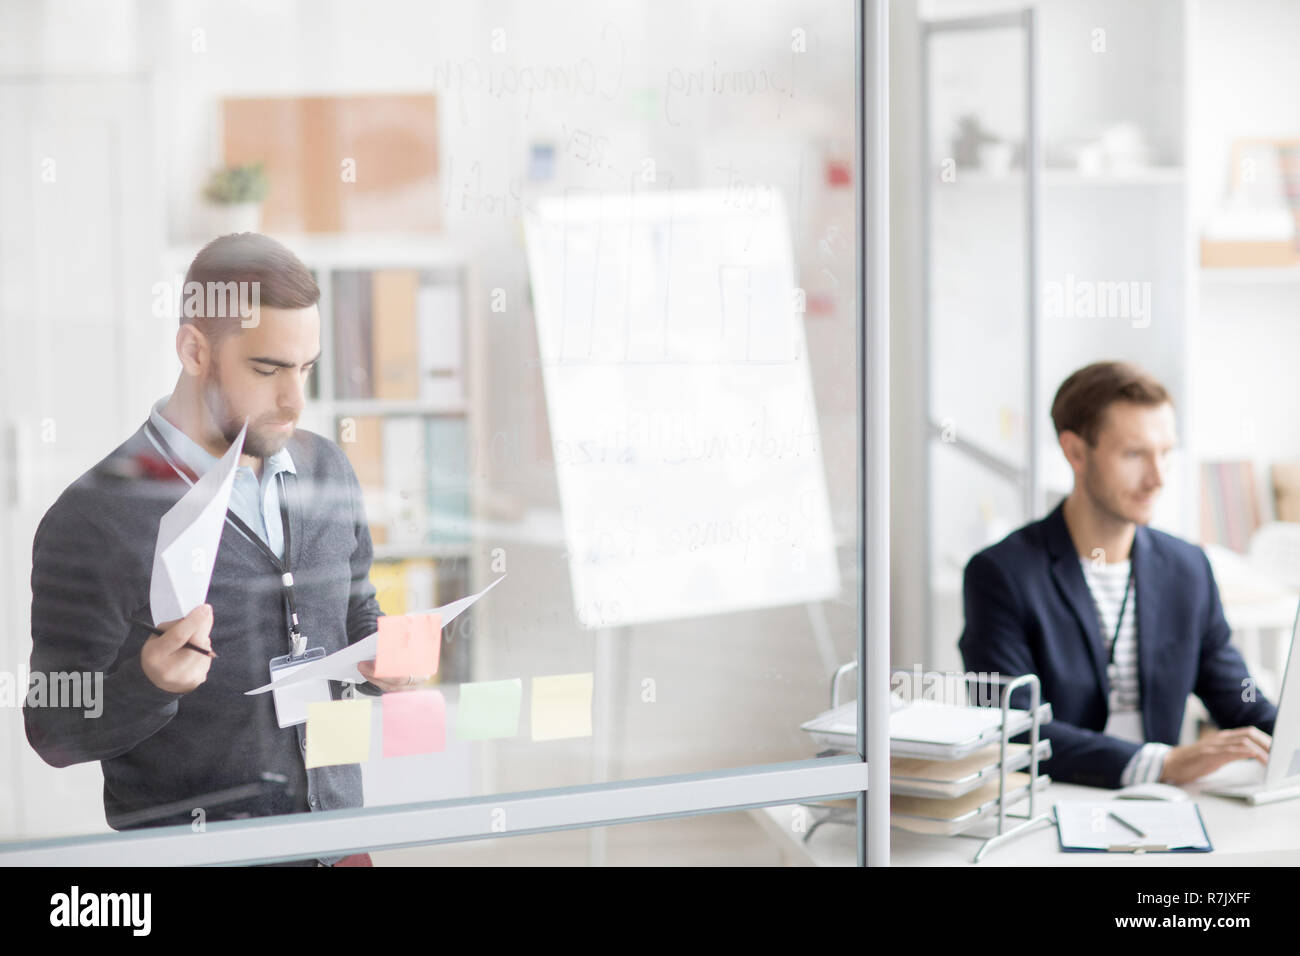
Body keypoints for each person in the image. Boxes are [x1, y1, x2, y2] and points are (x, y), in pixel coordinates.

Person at [24, 233, 425, 865]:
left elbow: (355, 615)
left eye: (307, 368)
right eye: (267, 370)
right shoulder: (95, 518)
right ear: (193, 350)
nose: (295, 400)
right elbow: (52, 727)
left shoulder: (326, 470)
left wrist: (388, 657)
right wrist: (149, 681)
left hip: (342, 846)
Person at [959, 360, 1275, 789]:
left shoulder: (1187, 568)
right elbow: (1015, 728)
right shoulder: (1001, 573)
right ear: (1075, 452)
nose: (1158, 477)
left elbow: (1241, 697)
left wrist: (1282, 732)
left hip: (1162, 811)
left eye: (1166, 453)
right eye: (1134, 454)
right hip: (1054, 802)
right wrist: (1165, 763)